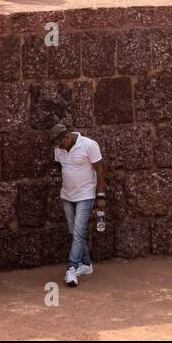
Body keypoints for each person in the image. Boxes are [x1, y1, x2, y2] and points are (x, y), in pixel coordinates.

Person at [50, 123, 106, 287]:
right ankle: (86, 264)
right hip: (67, 195)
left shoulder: (89, 145)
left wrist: (101, 196)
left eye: (61, 143)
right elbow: (60, 166)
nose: (59, 147)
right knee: (73, 231)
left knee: (79, 231)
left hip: (85, 195)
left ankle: (72, 268)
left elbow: (100, 170)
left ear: (67, 137)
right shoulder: (59, 149)